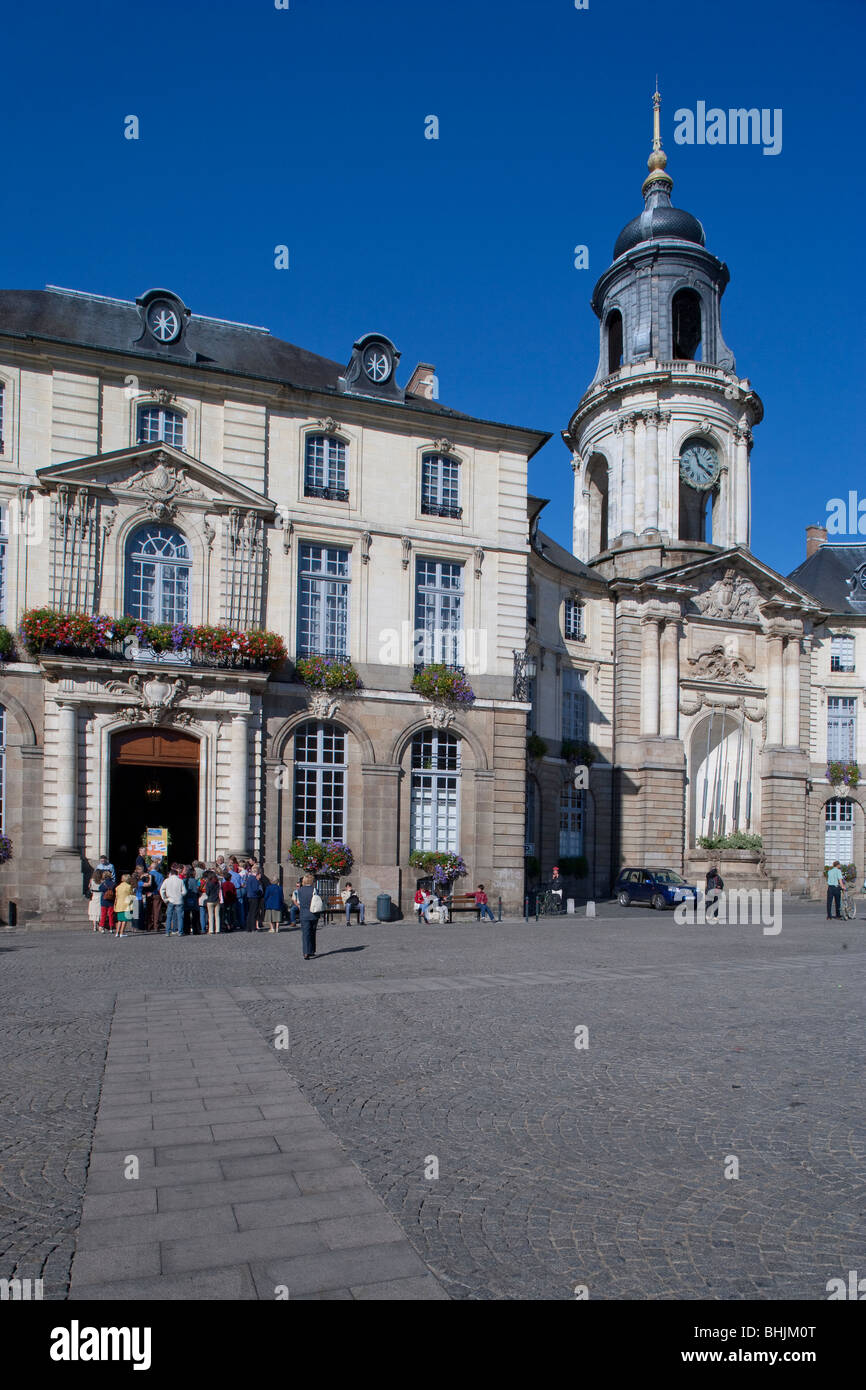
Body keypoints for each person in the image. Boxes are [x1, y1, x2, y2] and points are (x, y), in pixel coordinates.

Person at [295, 872, 321, 959]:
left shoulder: (300, 890)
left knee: (305, 933)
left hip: (304, 914)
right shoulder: (315, 890)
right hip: (314, 913)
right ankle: (312, 950)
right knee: (313, 932)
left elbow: (299, 902)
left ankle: (306, 952)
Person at [160, 864, 185, 936]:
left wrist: (164, 898)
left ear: (170, 874)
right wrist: (180, 895)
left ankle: (167, 932)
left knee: (169, 917)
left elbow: (162, 890)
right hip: (179, 900)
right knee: (180, 917)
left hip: (170, 900)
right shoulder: (180, 881)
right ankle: (180, 932)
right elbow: (184, 891)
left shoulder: (167, 880)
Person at [243, 865, 263, 931]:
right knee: (254, 912)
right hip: (254, 897)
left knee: (250, 912)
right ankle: (253, 927)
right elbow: (255, 889)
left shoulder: (249, 878)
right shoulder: (254, 879)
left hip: (249, 896)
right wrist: (260, 891)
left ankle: (248, 927)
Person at [147, 860, 165, 932]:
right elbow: (161, 886)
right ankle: (156, 926)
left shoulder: (147, 874)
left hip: (148, 894)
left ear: (151, 867)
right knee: (157, 910)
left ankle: (149, 925)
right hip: (157, 893)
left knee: (149, 910)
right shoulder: (160, 875)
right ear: (157, 868)